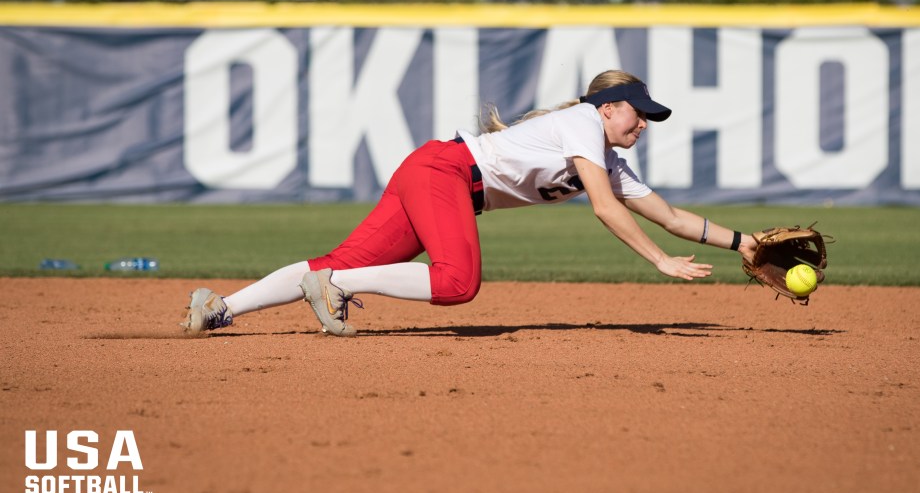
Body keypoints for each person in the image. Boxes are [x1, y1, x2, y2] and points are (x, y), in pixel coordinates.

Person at [181, 69, 757, 336]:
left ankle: (220, 307)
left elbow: (674, 217)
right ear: (609, 107)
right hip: (446, 175)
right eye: (639, 112)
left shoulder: (606, 160)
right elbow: (607, 209)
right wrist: (658, 262)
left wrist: (745, 244)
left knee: (343, 259)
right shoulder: (584, 121)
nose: (644, 123)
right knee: (457, 282)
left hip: (435, 174)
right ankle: (336, 288)